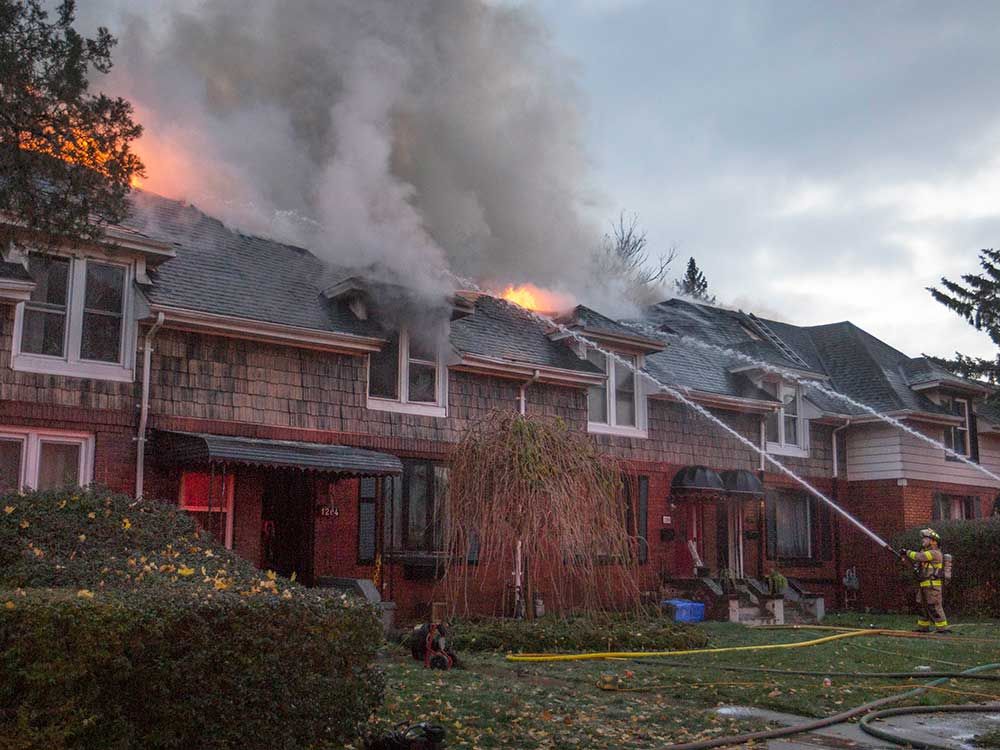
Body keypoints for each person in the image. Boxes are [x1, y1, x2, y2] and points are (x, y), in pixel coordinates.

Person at [900, 528, 951, 633]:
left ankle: (942, 628)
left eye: (926, 538)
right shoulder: (926, 553)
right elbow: (917, 565)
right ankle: (923, 628)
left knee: (934, 607)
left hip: (932, 586)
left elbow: (920, 557)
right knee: (922, 607)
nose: (923, 540)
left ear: (933, 541)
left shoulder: (934, 553)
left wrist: (907, 552)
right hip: (923, 586)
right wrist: (905, 559)